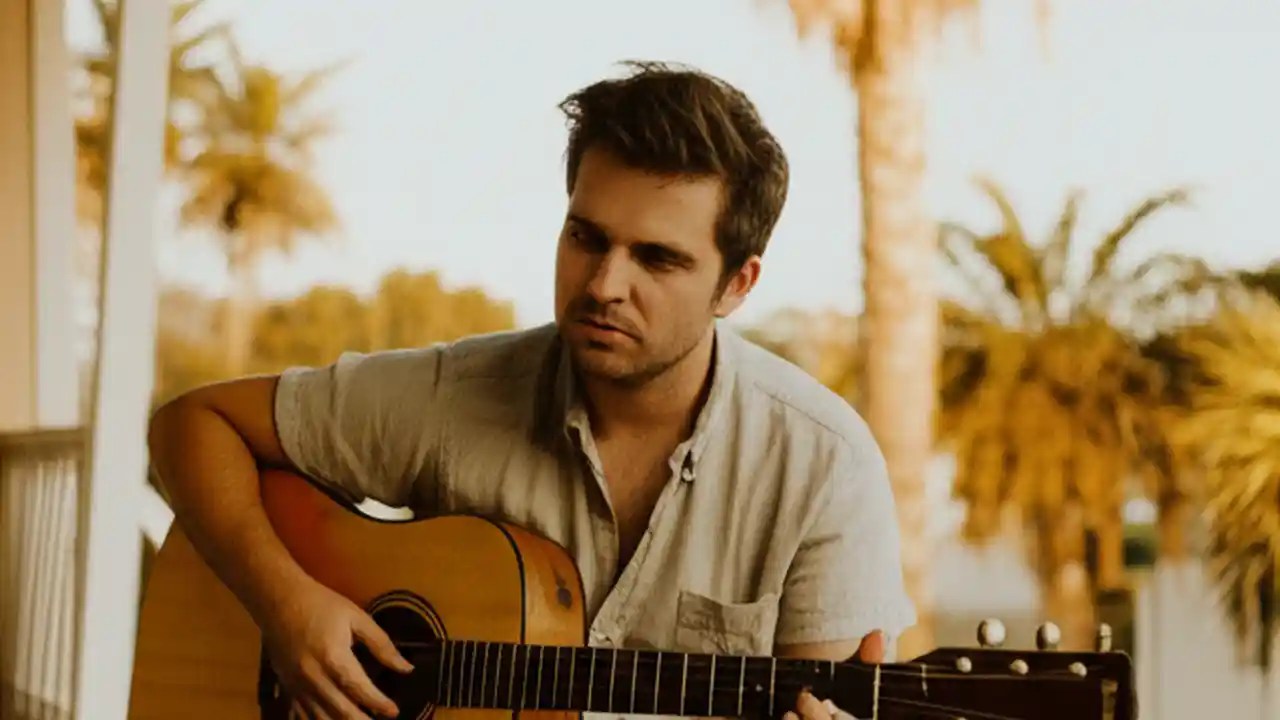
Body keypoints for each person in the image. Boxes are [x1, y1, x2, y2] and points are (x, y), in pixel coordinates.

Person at [147, 60, 915, 720]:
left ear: (737, 284)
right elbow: (191, 424)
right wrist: (285, 607)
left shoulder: (823, 467)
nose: (605, 285)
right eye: (586, 237)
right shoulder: (458, 394)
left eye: (657, 258)